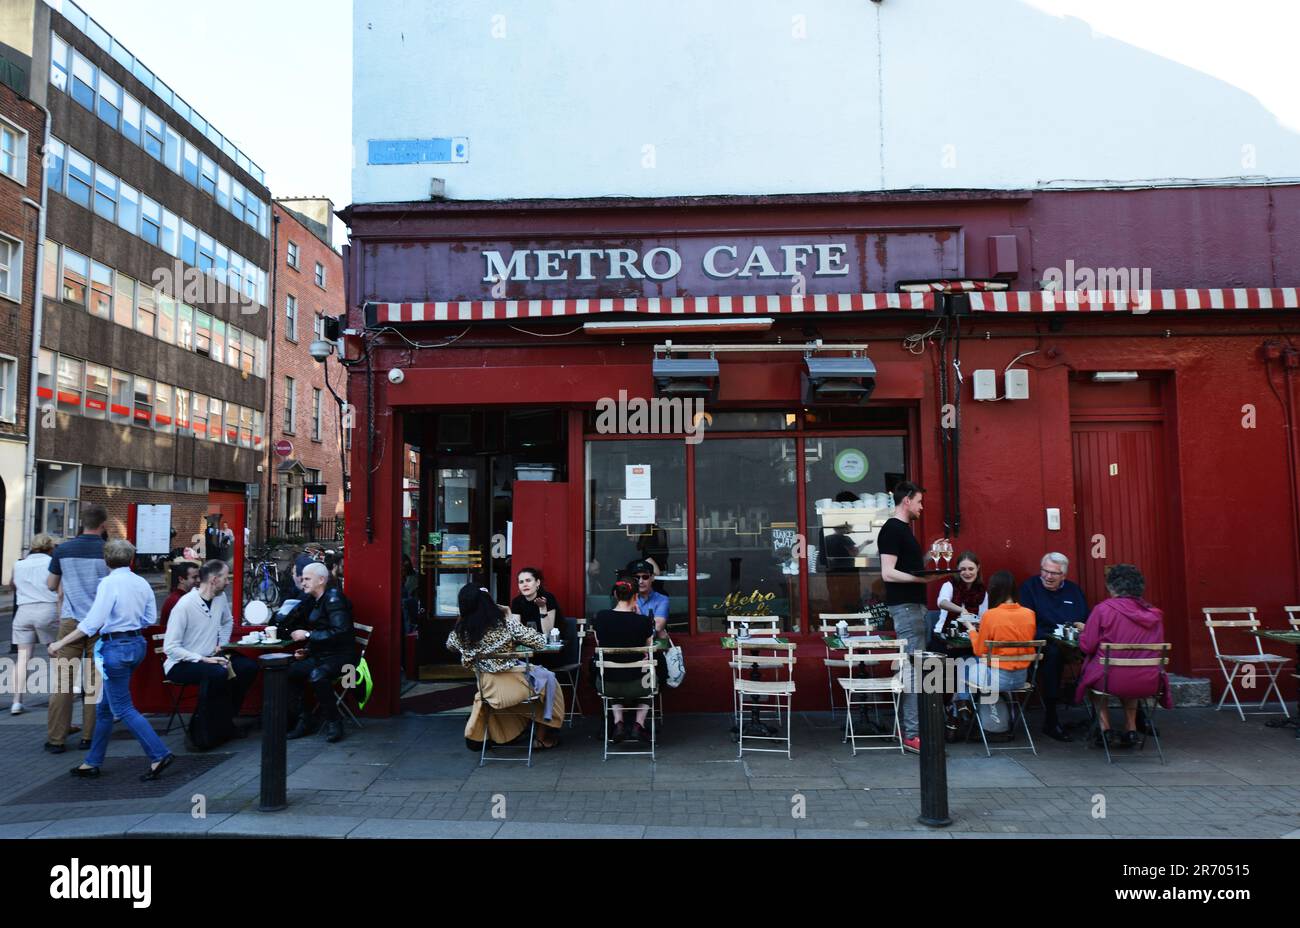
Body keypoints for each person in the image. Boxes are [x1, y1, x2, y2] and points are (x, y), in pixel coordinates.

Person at [52, 540, 174, 781]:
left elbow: (91, 623)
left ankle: (159, 754)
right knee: (105, 709)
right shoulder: (142, 583)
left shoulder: (108, 583)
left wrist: (60, 643)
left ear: (106, 560)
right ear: (130, 559)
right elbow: (149, 618)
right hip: (137, 646)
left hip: (114, 648)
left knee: (123, 708)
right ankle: (92, 762)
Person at [448, 584, 564, 751]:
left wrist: (463, 623)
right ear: (489, 603)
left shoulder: (459, 634)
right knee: (547, 681)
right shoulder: (505, 625)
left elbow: (450, 646)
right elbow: (539, 641)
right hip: (517, 688)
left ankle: (509, 731)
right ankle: (542, 736)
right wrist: (509, 615)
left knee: (540, 682)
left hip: (488, 690)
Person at [877, 481, 946, 754]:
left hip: (912, 607)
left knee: (912, 669)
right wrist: (924, 579)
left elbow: (909, 568)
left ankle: (904, 727)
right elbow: (888, 573)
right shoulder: (892, 529)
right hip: (906, 608)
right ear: (906, 501)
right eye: (918, 501)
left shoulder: (902, 530)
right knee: (914, 671)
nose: (921, 506)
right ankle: (912, 733)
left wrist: (930, 556)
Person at [163, 560, 259, 750]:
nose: (229, 582)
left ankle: (224, 723)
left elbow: (227, 621)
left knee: (248, 668)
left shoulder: (220, 598)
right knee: (216, 673)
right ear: (214, 580)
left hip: (212, 658)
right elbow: (171, 648)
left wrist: (221, 644)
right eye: (226, 577)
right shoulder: (185, 605)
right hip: (181, 663)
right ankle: (200, 733)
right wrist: (202, 659)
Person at [1075, 564, 1172, 748]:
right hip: (1148, 679)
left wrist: (1083, 632)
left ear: (1111, 586)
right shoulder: (1155, 615)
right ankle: (1131, 728)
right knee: (1132, 667)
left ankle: (1105, 729)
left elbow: (1087, 646)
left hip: (1109, 679)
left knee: (1096, 672)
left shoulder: (1103, 610)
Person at [44, 504, 111, 754]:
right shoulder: (108, 551)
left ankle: (56, 739)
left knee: (63, 682)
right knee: (94, 683)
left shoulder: (63, 550)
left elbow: (51, 585)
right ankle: (89, 737)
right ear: (103, 525)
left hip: (71, 622)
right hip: (100, 623)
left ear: (81, 523)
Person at [952, 571, 1036, 734]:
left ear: (994, 590)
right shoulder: (1029, 614)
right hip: (1021, 679)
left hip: (995, 680)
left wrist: (970, 629)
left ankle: (963, 705)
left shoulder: (990, 616)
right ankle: (965, 706)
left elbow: (979, 650)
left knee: (963, 662)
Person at [283, 562, 358, 743]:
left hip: (344, 659)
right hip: (322, 656)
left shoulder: (334, 599)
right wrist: (307, 650)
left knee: (317, 675)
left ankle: (334, 721)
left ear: (321, 580)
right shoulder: (316, 600)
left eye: (308, 579)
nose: (303, 583)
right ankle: (304, 719)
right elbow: (323, 630)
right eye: (302, 579)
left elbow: (341, 632)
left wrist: (307, 635)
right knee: (288, 671)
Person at [1019, 552, 1089, 741]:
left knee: (1102, 651)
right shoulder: (1030, 588)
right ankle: (1051, 719)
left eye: (1054, 573)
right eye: (1045, 571)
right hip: (1044, 644)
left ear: (1064, 576)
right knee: (1054, 655)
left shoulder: (1073, 591)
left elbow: (1084, 617)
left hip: (1073, 642)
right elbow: (1026, 622)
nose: (1048, 576)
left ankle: (1127, 716)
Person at [590, 579, 657, 743]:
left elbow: (600, 644)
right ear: (635, 596)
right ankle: (638, 724)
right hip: (639, 685)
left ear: (615, 594)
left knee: (610, 671)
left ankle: (618, 722)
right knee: (653, 672)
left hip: (607, 684)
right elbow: (648, 648)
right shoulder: (643, 621)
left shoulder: (602, 617)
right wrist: (640, 616)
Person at [9, 535, 60, 715]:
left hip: (24, 611)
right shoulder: (52, 562)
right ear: (50, 548)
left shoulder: (19, 564)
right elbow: (57, 586)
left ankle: (16, 702)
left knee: (23, 658)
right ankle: (62, 694)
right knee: (56, 652)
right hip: (47, 609)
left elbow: (12, 585)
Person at [935, 551, 988, 631]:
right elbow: (942, 602)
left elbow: (983, 616)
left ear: (978, 568)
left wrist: (978, 624)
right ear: (957, 569)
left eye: (971, 569)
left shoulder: (983, 591)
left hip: (970, 634)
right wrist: (962, 610)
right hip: (945, 634)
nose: (967, 573)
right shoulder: (949, 585)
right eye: (963, 569)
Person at [510, 566, 564, 637]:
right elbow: (516, 632)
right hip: (527, 642)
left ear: (537, 582)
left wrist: (542, 608)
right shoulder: (516, 601)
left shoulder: (547, 598)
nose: (525, 584)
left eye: (528, 580)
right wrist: (508, 613)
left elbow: (548, 633)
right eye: (521, 582)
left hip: (549, 643)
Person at [627, 559, 669, 641]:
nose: (640, 581)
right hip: (631, 644)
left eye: (645, 577)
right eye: (636, 578)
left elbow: (658, 627)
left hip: (654, 647)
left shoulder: (662, 599)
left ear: (652, 578)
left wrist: (637, 615)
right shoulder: (627, 597)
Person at [160, 562, 200, 627]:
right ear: (181, 579)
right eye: (194, 577)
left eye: (199, 577)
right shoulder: (176, 600)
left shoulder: (184, 597)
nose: (198, 580)